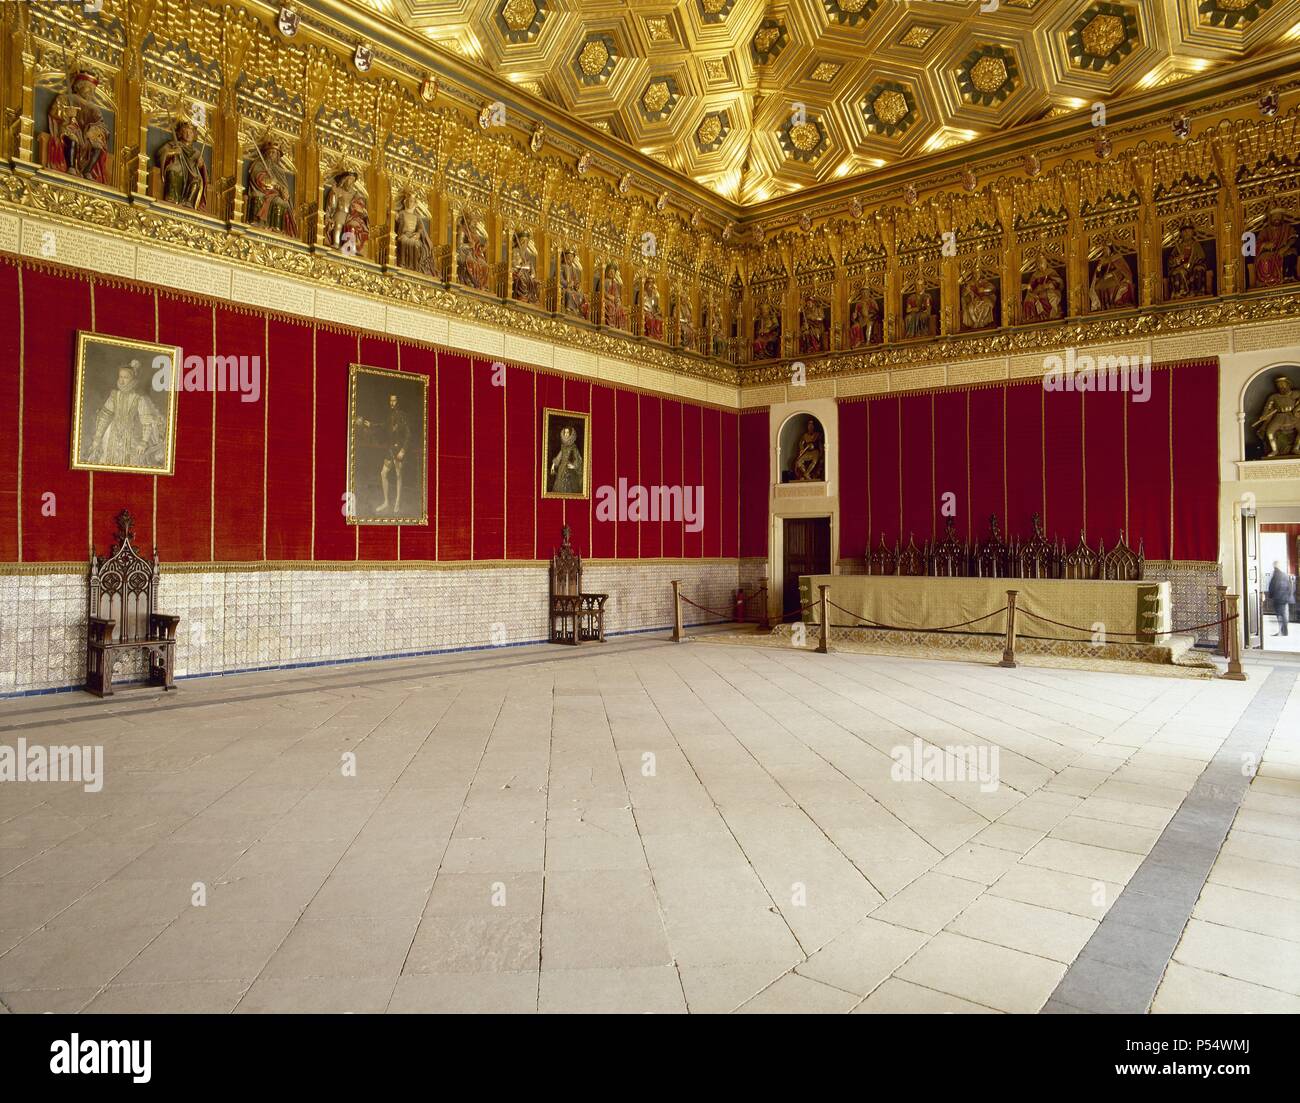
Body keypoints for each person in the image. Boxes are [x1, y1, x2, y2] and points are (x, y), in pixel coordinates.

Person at [87, 360, 166, 468]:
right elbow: (105, 417)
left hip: (132, 435)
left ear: (133, 379)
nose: (122, 380)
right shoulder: (114, 395)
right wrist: (97, 437)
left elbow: (146, 422)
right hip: (112, 435)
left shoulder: (139, 398)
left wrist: (144, 441)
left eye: (126, 377)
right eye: (120, 377)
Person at [156, 119, 208, 210]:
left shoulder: (196, 152)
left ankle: (188, 201)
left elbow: (204, 171)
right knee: (173, 170)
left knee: (197, 180)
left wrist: (201, 164)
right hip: (178, 168)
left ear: (194, 135)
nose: (188, 135)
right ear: (180, 133)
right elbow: (161, 153)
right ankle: (172, 197)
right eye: (185, 132)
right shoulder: (173, 144)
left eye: (191, 133)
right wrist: (173, 152)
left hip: (191, 172)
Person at [1268, 561, 1295, 637]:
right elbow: (1290, 587)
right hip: (1284, 598)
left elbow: (1273, 586)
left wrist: (1271, 595)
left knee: (1280, 615)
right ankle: (1284, 632)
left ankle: (1281, 632)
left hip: (1278, 598)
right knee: (1284, 615)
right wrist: (1289, 596)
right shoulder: (1285, 575)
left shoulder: (1276, 574)